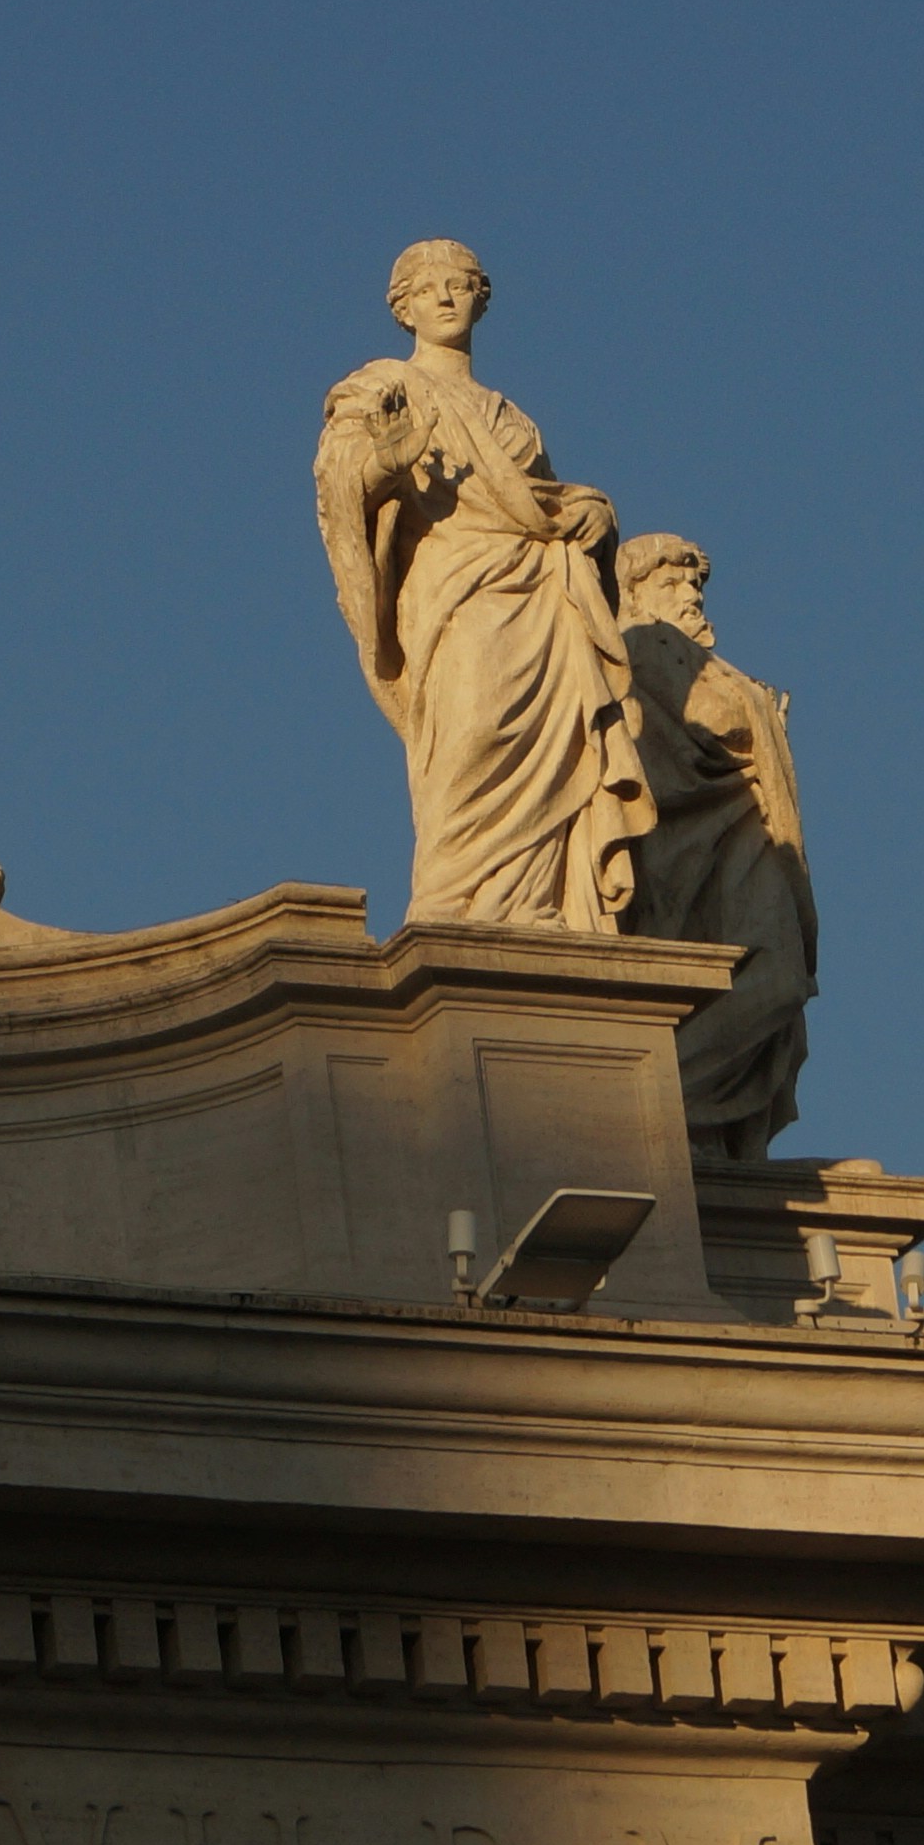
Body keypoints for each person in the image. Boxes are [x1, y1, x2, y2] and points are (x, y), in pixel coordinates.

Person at [312, 237, 650, 930]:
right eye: (427, 286)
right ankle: (453, 905)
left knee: (556, 763)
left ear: (481, 298)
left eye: (460, 283)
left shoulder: (511, 415)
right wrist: (386, 465)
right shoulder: (380, 387)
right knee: (469, 738)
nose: (444, 296)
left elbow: (539, 502)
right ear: (402, 308)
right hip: (455, 592)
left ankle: (540, 908)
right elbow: (338, 481)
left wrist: (588, 513)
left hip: (541, 602)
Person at [617, 533, 817, 1158]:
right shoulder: (642, 646)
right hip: (691, 843)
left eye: (693, 585)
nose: (690, 598)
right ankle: (646, 1104)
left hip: (736, 837)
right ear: (633, 593)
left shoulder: (679, 652)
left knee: (771, 984)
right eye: (670, 584)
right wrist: (758, 711)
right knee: (774, 979)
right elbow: (715, 719)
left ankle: (672, 1115)